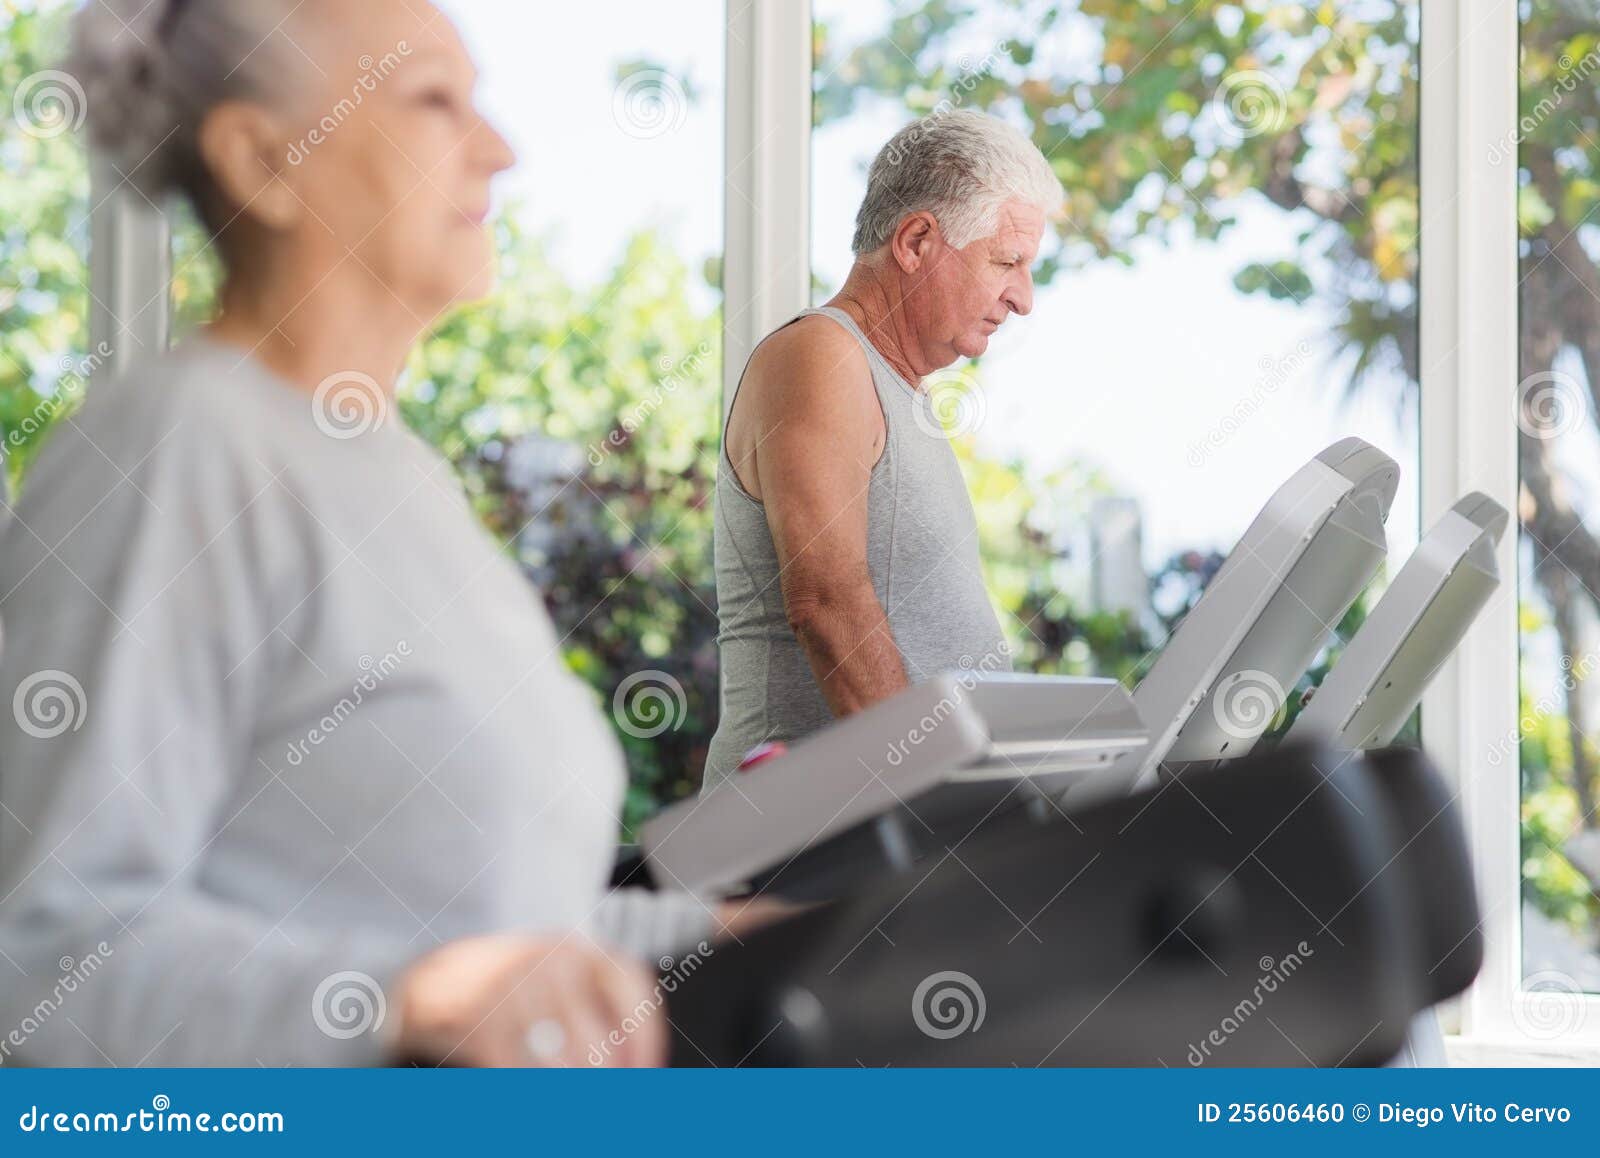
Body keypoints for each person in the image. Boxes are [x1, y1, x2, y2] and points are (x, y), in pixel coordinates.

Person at [0, 0, 770, 1068]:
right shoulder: (177, 444)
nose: (501, 150)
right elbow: (41, 963)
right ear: (264, 161)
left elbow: (505, 928)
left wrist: (749, 936)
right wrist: (404, 1000)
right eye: (434, 101)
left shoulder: (402, 479)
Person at [704, 110, 1064, 788]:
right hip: (810, 827)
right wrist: (930, 798)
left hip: (900, 819)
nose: (1023, 298)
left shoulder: (898, 391)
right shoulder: (822, 355)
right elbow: (827, 602)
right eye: (1006, 262)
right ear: (916, 241)